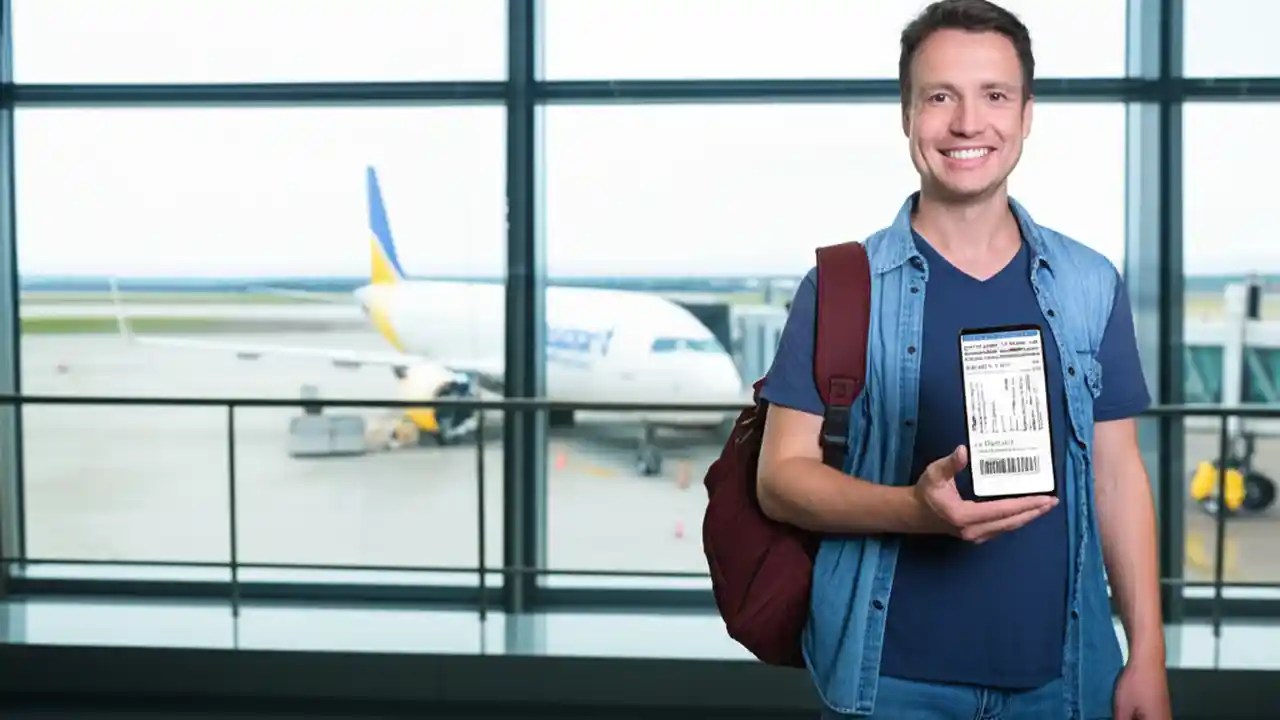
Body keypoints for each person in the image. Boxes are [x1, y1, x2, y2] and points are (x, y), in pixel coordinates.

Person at [755, 1, 1171, 718]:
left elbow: (1117, 475)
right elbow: (780, 481)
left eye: (995, 96)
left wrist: (1149, 657)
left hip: (1063, 681)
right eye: (940, 96)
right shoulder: (843, 286)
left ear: (1027, 114)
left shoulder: (1087, 283)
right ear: (907, 115)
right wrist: (914, 512)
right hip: (887, 684)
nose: (968, 123)